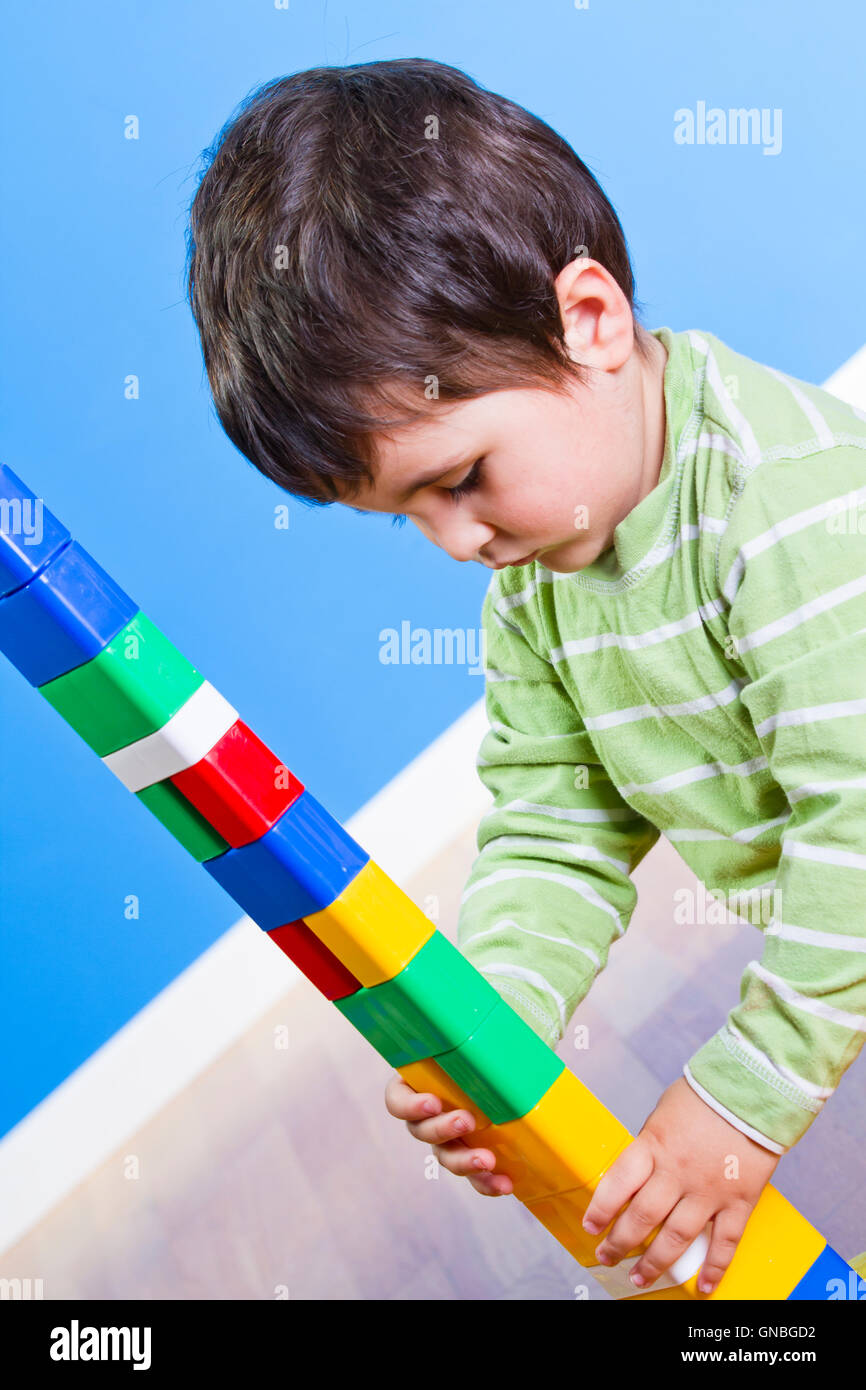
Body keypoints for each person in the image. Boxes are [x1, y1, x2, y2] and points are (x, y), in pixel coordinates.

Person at [184, 57, 866, 1298]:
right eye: (407, 517)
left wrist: (734, 1103)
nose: (457, 542)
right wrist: (497, 1023)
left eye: (458, 477)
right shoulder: (540, 588)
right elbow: (554, 829)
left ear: (589, 322)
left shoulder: (793, 514)